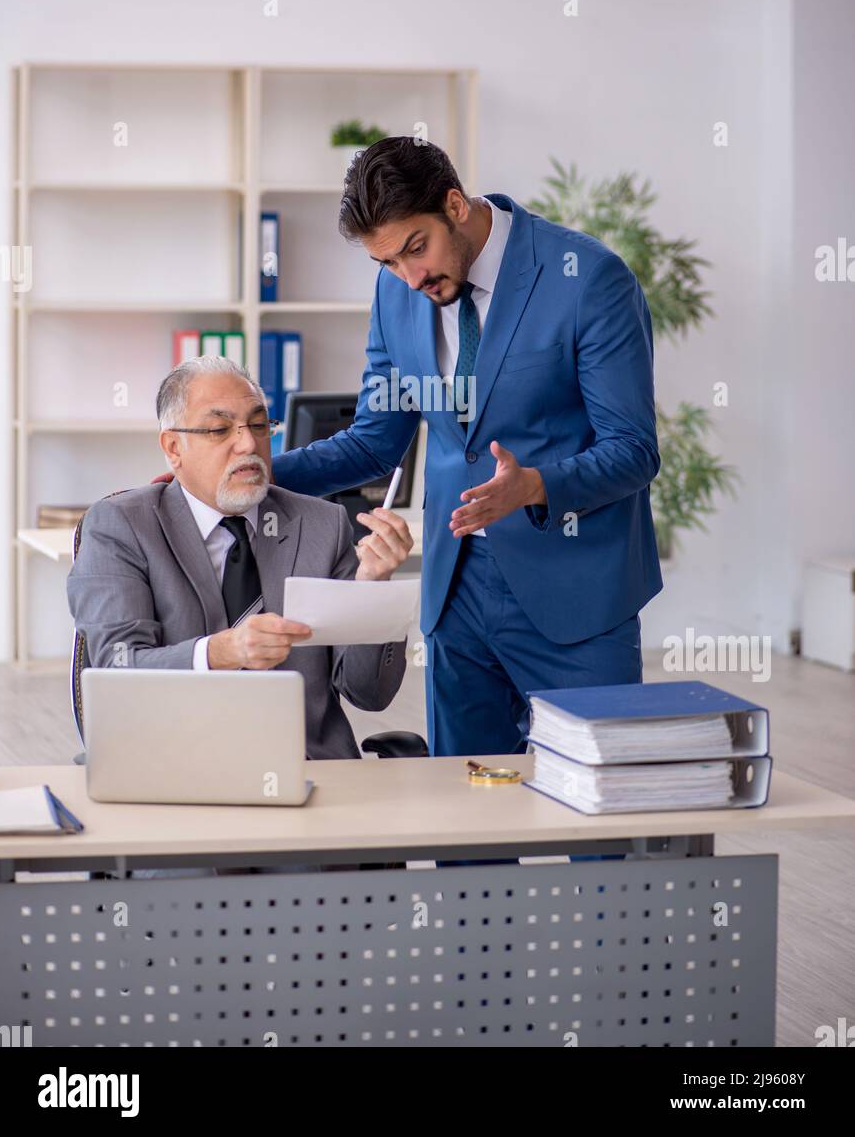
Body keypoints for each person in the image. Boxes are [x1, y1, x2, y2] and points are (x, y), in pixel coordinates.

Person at [271, 136, 663, 759]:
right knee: (465, 814)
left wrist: (534, 485)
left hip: (576, 590)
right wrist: (244, 474)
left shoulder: (586, 278)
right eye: (388, 263)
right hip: (456, 594)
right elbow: (375, 443)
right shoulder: (399, 293)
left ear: (455, 204)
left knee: (599, 819)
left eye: (415, 249)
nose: (410, 276)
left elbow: (634, 449)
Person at [67, 355, 414, 760]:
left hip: (309, 770)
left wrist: (371, 593)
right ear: (173, 447)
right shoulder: (122, 525)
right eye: (219, 429)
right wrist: (222, 652)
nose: (248, 444)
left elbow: (368, 693)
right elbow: (114, 671)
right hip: (173, 770)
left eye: (259, 424)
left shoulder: (323, 523)